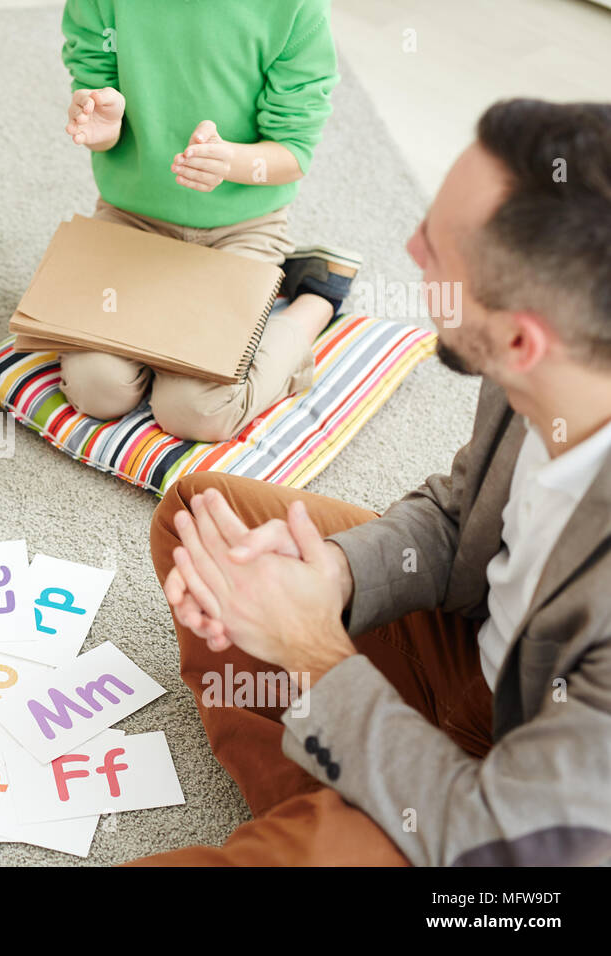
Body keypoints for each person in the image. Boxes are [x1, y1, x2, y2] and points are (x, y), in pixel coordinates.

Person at [136, 98, 611, 865]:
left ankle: (354, 829)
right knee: (205, 514)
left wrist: (313, 652)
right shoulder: (555, 365)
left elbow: (502, 843)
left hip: (517, 823)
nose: (410, 246)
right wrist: (335, 575)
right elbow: (461, 519)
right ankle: (348, 813)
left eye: (440, 250)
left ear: (524, 340)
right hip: (478, 657)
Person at [61, 0, 359, 441]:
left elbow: (294, 151)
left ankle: (316, 299)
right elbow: (94, 86)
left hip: (243, 228)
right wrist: (104, 126)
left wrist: (231, 161)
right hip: (133, 221)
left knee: (196, 410)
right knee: (97, 388)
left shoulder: (296, 8)